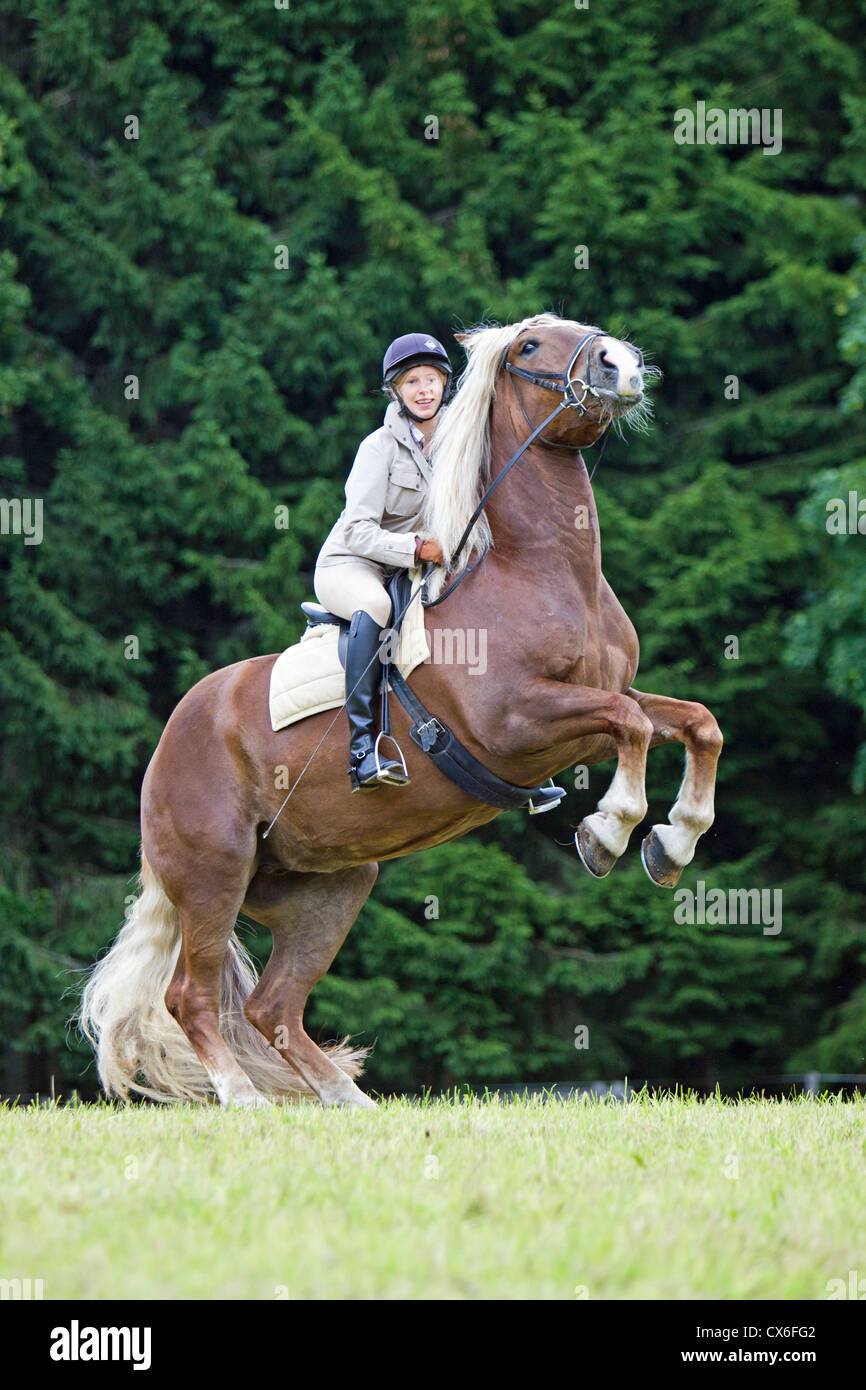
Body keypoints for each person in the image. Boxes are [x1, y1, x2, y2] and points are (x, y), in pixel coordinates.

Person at [314, 333, 450, 792]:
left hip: (412, 569)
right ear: (396, 391)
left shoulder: (459, 442)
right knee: (375, 606)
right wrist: (416, 548)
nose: (424, 389)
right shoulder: (379, 447)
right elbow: (356, 530)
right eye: (413, 381)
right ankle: (363, 752)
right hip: (350, 565)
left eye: (432, 378)